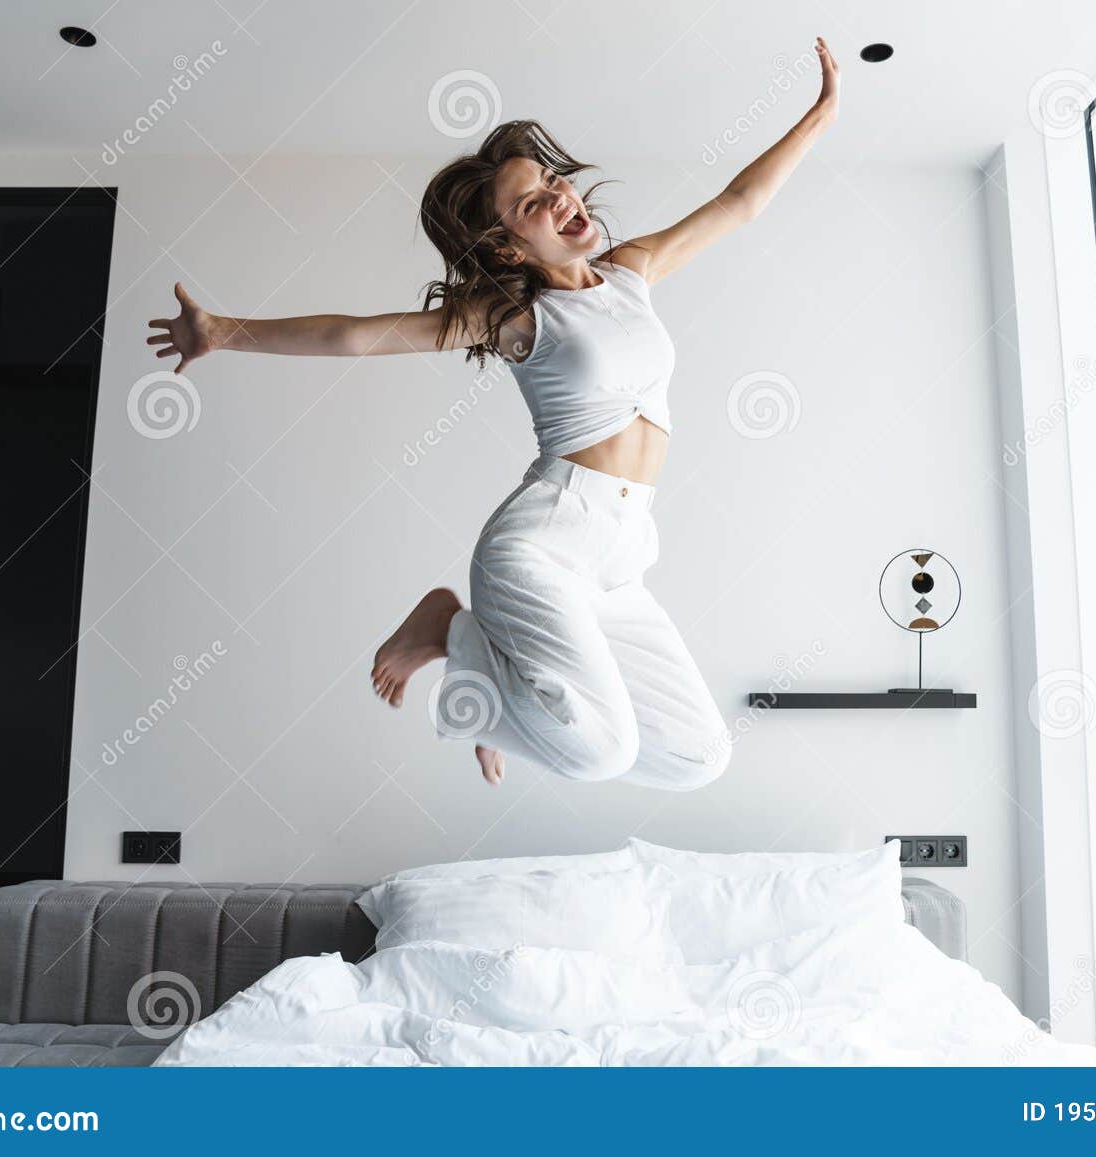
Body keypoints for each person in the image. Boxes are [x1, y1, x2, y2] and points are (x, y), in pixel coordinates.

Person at [147, 37, 840, 788]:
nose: (558, 197)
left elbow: (739, 203)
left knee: (701, 758)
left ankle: (493, 697)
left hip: (622, 554)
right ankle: (450, 629)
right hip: (545, 541)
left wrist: (821, 113)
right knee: (601, 752)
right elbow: (354, 335)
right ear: (509, 248)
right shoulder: (515, 315)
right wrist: (221, 331)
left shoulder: (631, 272)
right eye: (529, 204)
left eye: (550, 180)